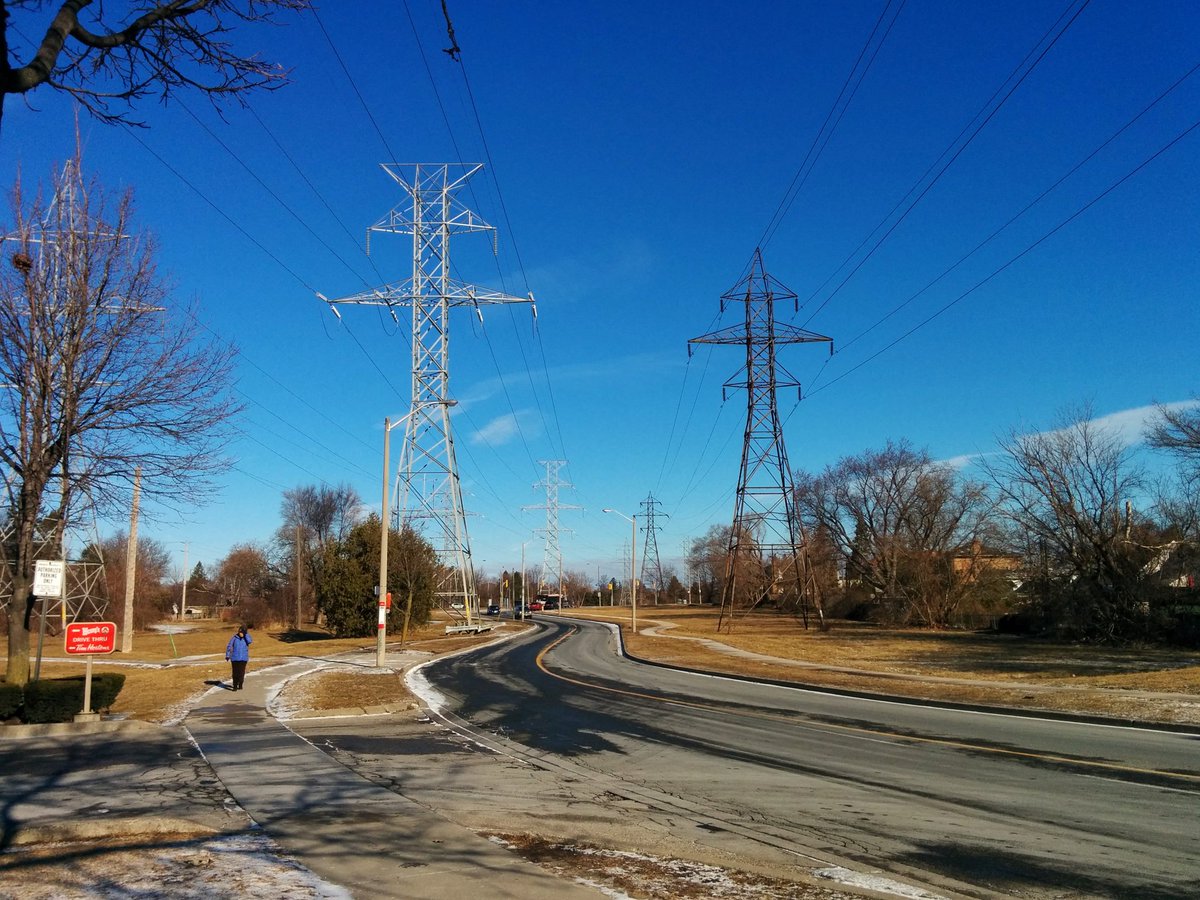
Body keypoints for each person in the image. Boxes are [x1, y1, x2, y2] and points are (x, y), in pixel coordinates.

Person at [225, 625, 252, 691]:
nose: (240, 633)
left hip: (243, 658)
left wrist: (245, 635)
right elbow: (229, 646)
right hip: (234, 658)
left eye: (242, 632)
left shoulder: (246, 638)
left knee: (241, 672)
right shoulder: (234, 638)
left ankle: (240, 683)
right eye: (240, 632)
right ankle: (234, 685)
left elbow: (249, 641)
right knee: (235, 673)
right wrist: (228, 655)